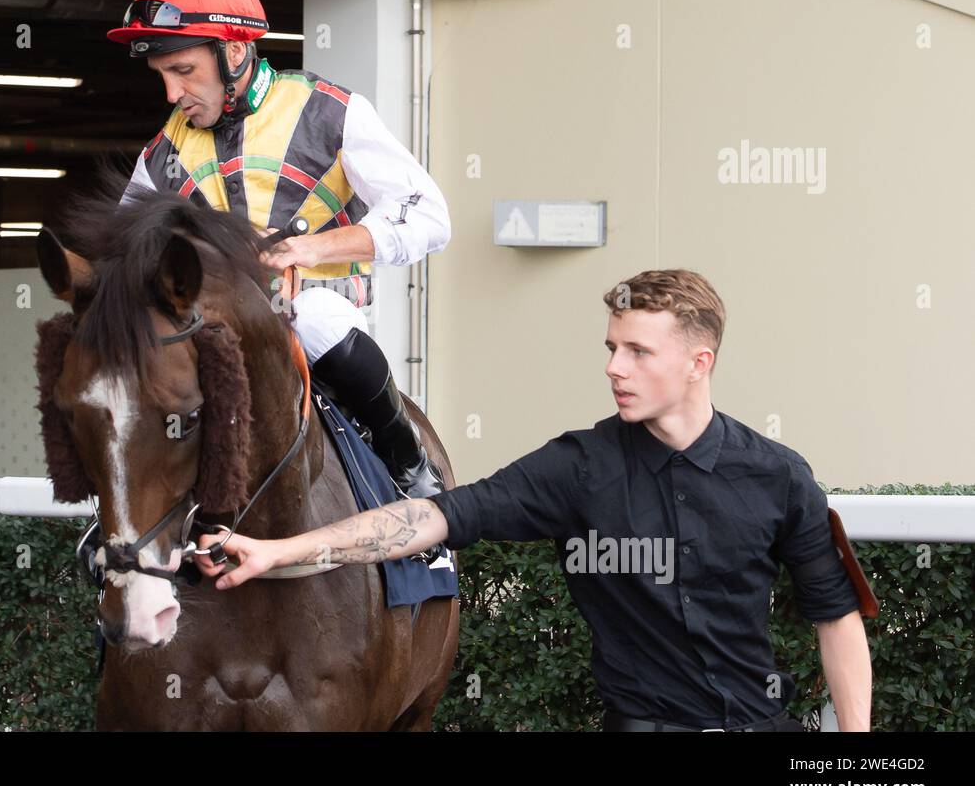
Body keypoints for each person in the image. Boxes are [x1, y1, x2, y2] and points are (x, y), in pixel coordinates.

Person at [196, 269, 875, 732]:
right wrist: (276, 550)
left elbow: (837, 618)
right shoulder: (579, 467)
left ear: (699, 362)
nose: (614, 367)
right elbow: (432, 517)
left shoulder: (780, 475)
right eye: (612, 347)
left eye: (639, 351)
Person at [103, 0, 451, 497]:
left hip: (322, 315)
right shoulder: (165, 148)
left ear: (235, 51)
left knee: (311, 317)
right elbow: (123, 252)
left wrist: (311, 248)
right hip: (216, 331)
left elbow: (427, 214)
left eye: (184, 71)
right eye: (163, 77)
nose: (172, 95)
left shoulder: (331, 110)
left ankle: (407, 463)